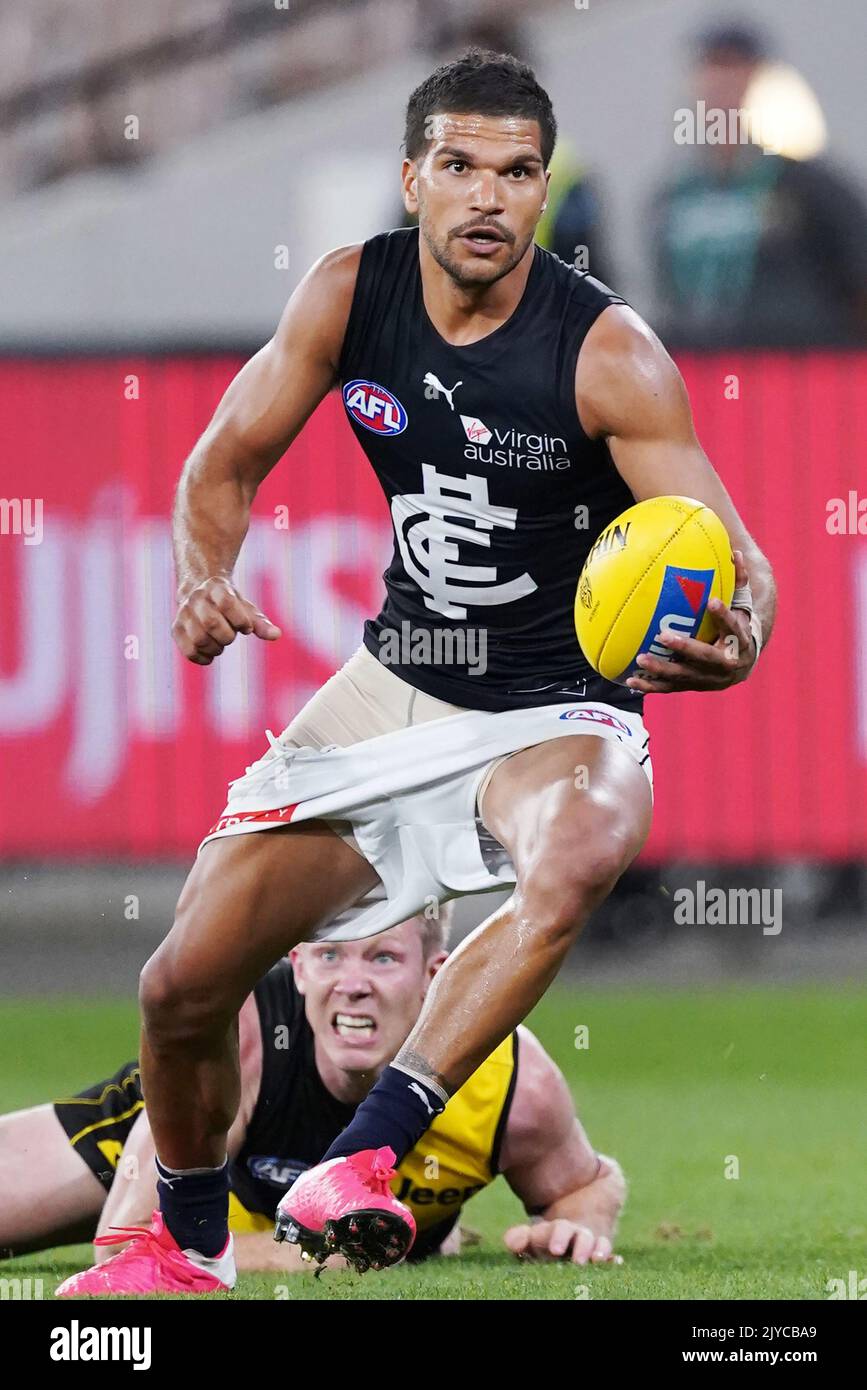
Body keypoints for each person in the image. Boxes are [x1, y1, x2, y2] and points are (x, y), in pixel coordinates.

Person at [60, 47, 775, 1293]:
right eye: (459, 167)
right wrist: (199, 572)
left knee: (586, 841)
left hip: (555, 699)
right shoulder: (348, 297)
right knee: (180, 983)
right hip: (396, 685)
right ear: (413, 178)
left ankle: (368, 1155)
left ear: (544, 192)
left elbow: (743, 564)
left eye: (515, 173)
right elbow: (221, 466)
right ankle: (179, 1255)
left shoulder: (608, 354)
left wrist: (740, 635)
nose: (487, 197)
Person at [0, 916, 625, 1285]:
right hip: (152, 1138)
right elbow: (125, 1243)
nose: (352, 986)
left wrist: (576, 1229)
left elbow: (588, 1185)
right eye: (330, 956)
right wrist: (327, 1254)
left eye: (383, 958)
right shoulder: (241, 1035)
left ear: (436, 977)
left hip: (240, 1218)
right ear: (297, 968)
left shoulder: (510, 1079)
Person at [652, 21, 867, 347]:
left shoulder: (809, 187)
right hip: (703, 373)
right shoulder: (675, 195)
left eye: (734, 68)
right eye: (712, 67)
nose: (721, 84)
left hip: (799, 373)